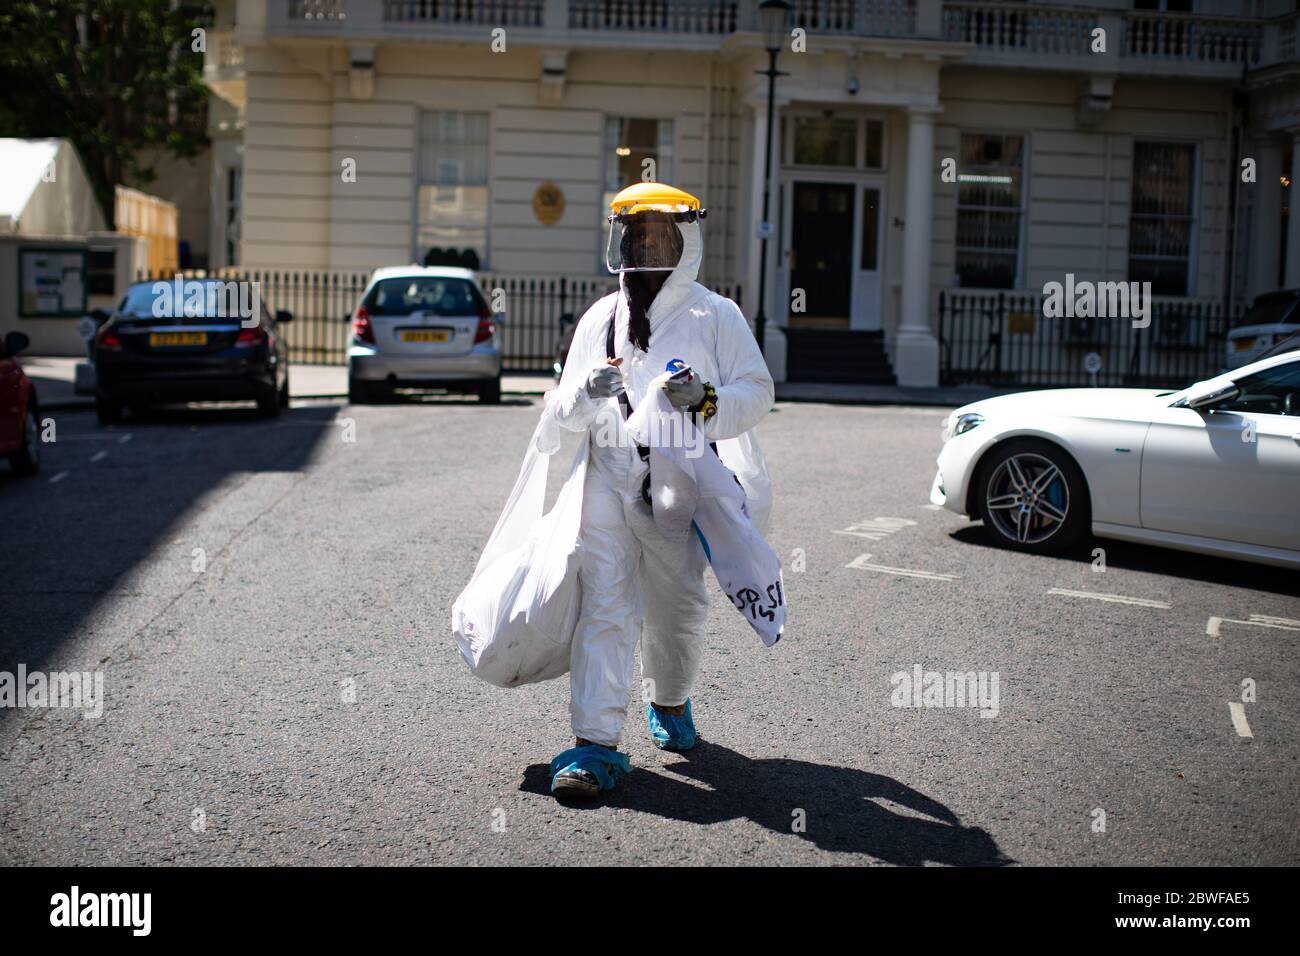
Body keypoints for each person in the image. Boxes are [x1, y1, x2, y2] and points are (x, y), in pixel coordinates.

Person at [544, 182, 775, 797]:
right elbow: (561, 410)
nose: (649, 245)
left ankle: (669, 701)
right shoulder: (599, 318)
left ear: (684, 241)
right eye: (639, 234)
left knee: (675, 611)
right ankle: (594, 745)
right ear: (622, 240)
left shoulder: (717, 314)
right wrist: (586, 390)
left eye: (661, 235)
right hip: (608, 477)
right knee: (607, 604)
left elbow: (757, 391)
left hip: (680, 487)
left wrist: (705, 400)